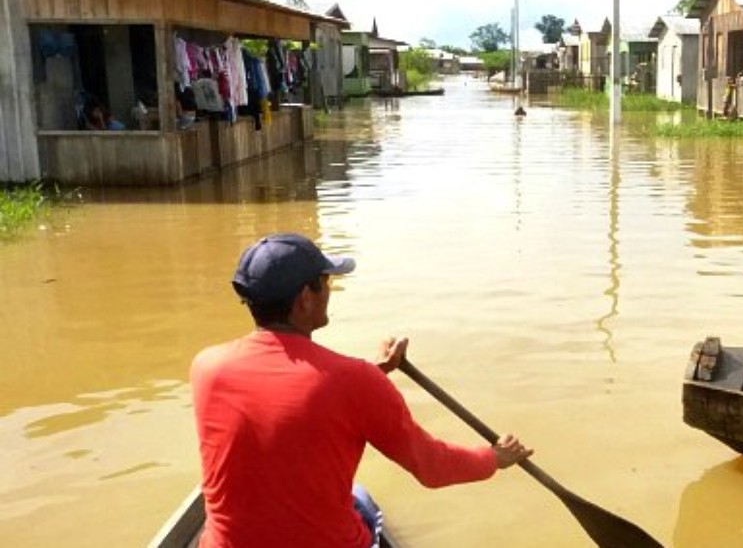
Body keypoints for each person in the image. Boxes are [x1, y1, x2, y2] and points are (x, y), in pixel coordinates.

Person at [191, 233, 533, 548]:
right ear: (305, 299)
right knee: (363, 502)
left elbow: (293, 392)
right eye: (325, 281)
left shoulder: (206, 368)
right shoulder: (354, 381)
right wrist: (494, 458)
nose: (330, 290)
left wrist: (377, 370)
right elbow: (432, 467)